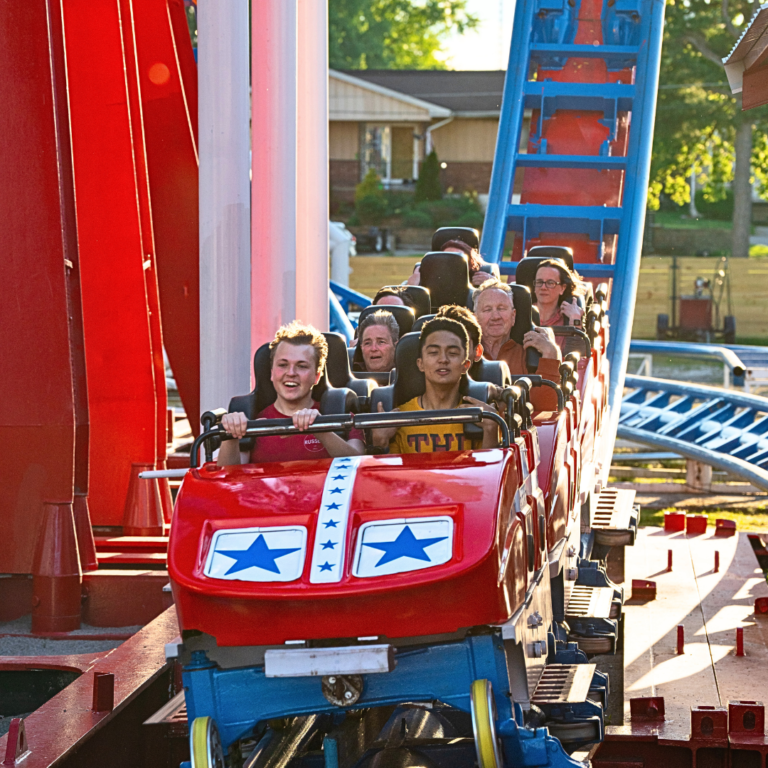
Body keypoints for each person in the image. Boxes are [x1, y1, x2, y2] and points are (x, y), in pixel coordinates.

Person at [218, 322, 365, 466]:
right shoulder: (252, 421)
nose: (291, 373)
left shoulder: (342, 418)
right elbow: (227, 479)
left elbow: (359, 465)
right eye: (283, 365)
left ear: (317, 376)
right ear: (272, 373)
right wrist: (230, 435)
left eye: (301, 366)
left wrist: (322, 431)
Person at [371, 317, 499, 454]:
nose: (443, 359)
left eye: (453, 353)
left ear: (465, 366)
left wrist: (491, 429)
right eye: (433, 352)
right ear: (420, 364)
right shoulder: (400, 419)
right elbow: (390, 474)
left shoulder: (480, 417)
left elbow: (488, 471)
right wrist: (380, 442)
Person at [472, 278, 562, 410]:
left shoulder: (530, 354)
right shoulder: (465, 354)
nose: (495, 316)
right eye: (487, 310)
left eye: (501, 308)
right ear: (475, 317)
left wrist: (551, 354)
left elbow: (544, 408)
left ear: (513, 316)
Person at [533, 259, 586, 328]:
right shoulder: (522, 314)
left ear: (562, 288)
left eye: (550, 283)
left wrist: (575, 319)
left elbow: (577, 339)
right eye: (539, 282)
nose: (543, 287)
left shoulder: (567, 318)